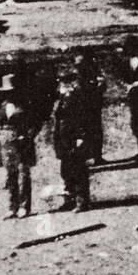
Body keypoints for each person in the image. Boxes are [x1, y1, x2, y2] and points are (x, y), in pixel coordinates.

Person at [50, 72, 93, 210]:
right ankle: (70, 200)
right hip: (63, 139)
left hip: (73, 138)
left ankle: (82, 201)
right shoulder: (62, 98)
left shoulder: (75, 97)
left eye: (63, 83)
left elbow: (82, 118)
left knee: (78, 170)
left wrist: (81, 137)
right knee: (66, 170)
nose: (60, 85)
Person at [0, 77, 36, 219]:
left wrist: (27, 137)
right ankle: (12, 206)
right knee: (10, 175)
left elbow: (34, 125)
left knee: (23, 175)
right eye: (7, 92)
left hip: (22, 143)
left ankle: (24, 207)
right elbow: (0, 126)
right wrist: (0, 143)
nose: (9, 94)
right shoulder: (3, 105)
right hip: (7, 144)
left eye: (11, 91)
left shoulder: (25, 106)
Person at [75, 51, 105, 163]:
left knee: (95, 131)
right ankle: (88, 157)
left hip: (93, 107)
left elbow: (102, 86)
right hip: (83, 108)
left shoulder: (93, 74)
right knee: (84, 132)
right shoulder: (78, 77)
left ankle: (97, 157)